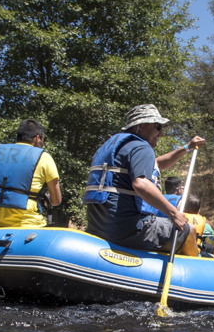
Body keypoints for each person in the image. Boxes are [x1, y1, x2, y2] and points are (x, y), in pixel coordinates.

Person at [84, 104, 205, 251]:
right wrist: (174, 214)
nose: (161, 134)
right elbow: (141, 184)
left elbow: (157, 164)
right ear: (141, 126)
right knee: (189, 229)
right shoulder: (142, 147)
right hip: (128, 231)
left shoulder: (116, 146)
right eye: (157, 127)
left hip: (98, 227)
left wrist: (187, 147)